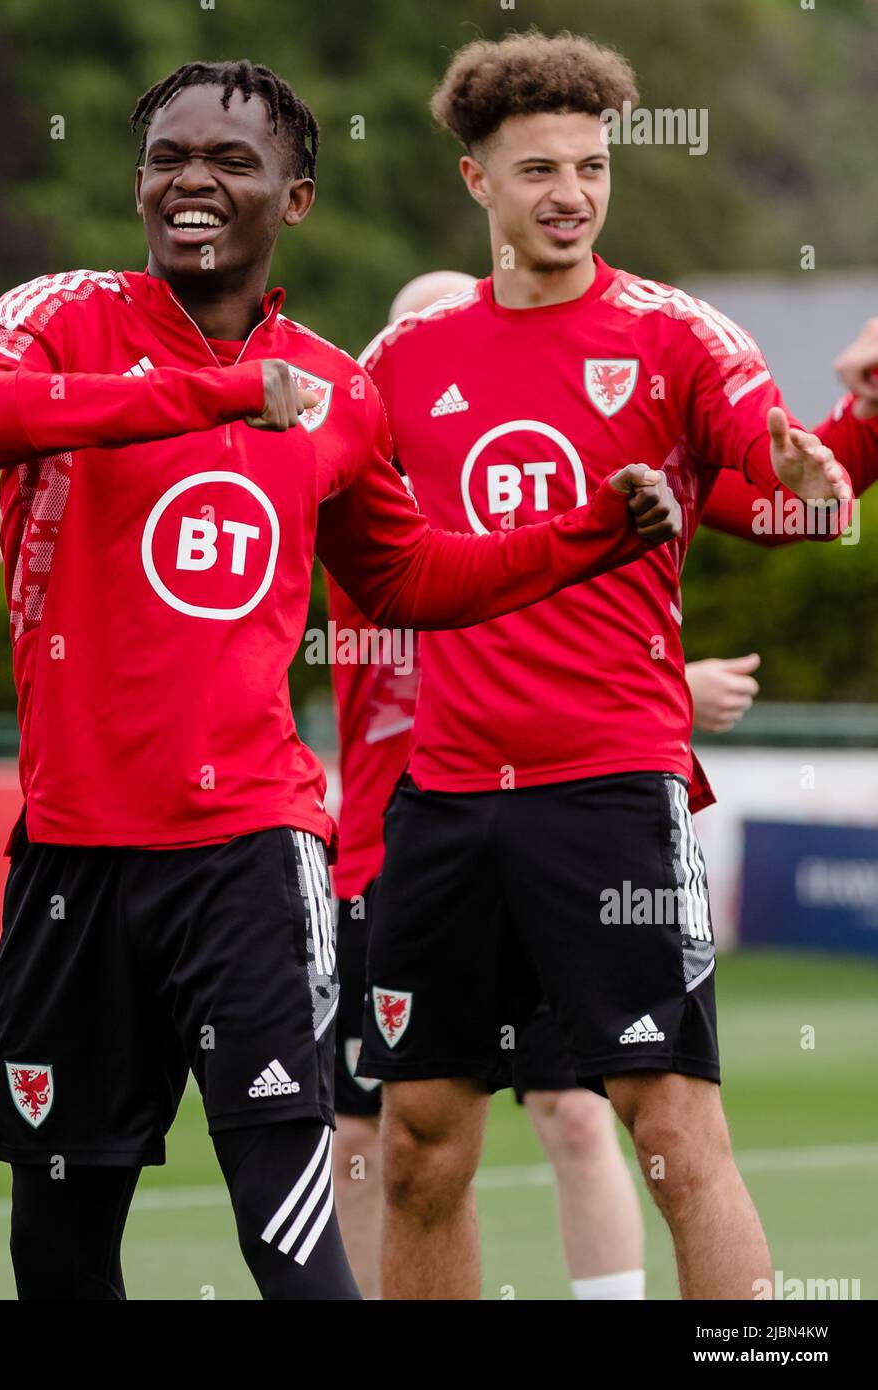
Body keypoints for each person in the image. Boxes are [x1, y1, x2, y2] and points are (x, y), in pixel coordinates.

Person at [0, 58, 680, 1302]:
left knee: (292, 1245)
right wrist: (211, 393)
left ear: (299, 196)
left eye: (232, 161)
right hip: (69, 862)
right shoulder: (59, 310)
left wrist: (593, 534)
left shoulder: (338, 387)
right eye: (168, 158)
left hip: (249, 853)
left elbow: (409, 579)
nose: (192, 183)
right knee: (53, 1255)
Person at [352, 30, 852, 1301]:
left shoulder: (673, 332)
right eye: (538, 169)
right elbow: (286, 484)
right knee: (416, 1142)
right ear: (477, 183)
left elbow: (755, 438)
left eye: (590, 164)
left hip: (608, 786)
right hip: (447, 798)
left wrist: (801, 458)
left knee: (671, 1128)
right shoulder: (406, 363)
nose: (570, 192)